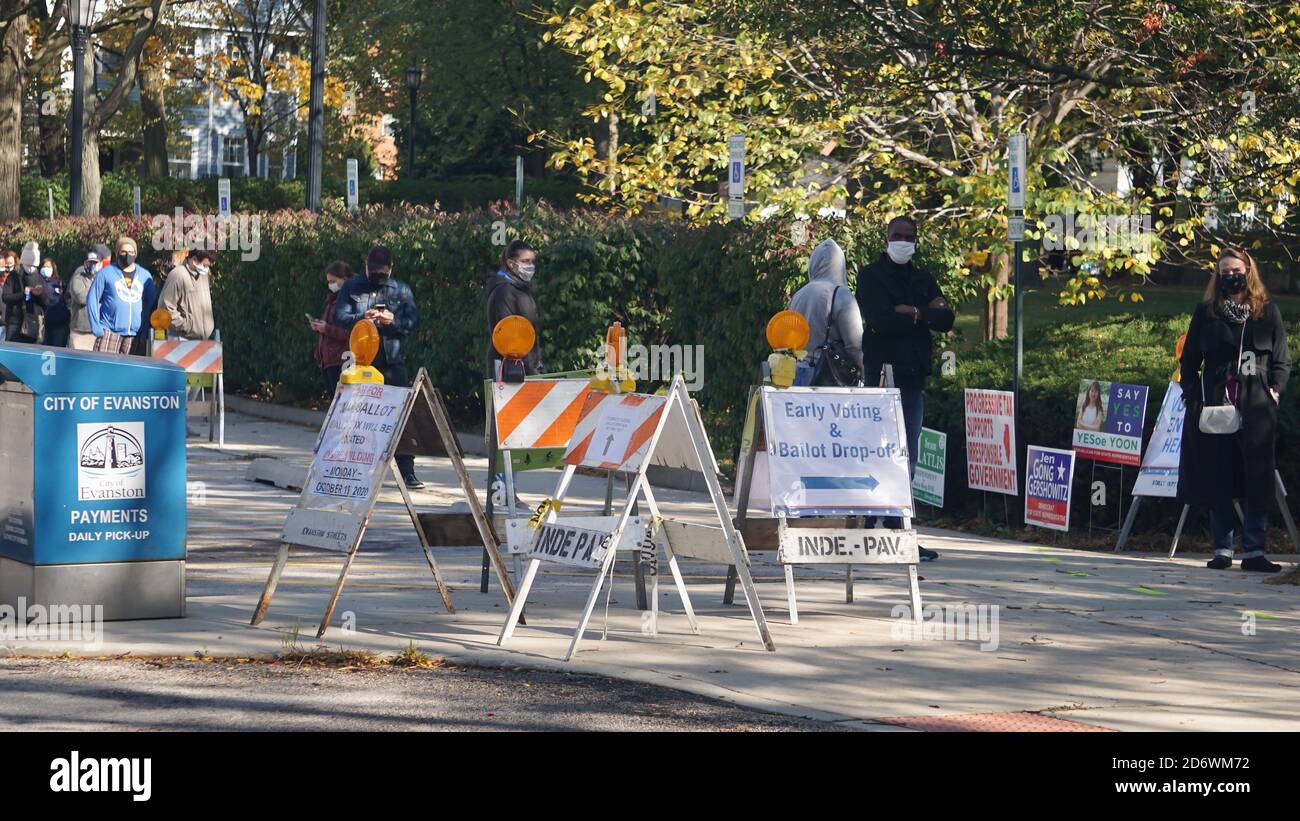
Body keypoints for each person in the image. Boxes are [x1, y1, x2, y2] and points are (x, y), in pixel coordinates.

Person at [1178, 246, 1291, 573]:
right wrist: (1192, 394)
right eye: (1224, 271)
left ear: (1248, 272)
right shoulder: (1206, 312)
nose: (1230, 277)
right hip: (1215, 403)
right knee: (1220, 476)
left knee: (1257, 477)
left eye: (1236, 271)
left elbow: (1282, 360)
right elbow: (1189, 362)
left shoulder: (1267, 312)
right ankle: (1222, 549)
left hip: (1256, 406)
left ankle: (1254, 551)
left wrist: (1275, 392)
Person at [856, 215, 955, 561]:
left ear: (916, 240)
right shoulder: (870, 276)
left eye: (909, 236)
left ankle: (900, 524)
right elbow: (880, 321)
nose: (903, 241)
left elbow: (946, 319)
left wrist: (911, 311)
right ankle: (869, 522)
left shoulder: (923, 278)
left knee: (907, 455)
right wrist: (924, 313)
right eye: (897, 235)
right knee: (877, 451)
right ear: (886, 238)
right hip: (881, 375)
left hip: (913, 378)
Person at [334, 245, 422, 489]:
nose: (378, 277)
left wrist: (392, 320)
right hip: (361, 362)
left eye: (383, 273)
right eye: (374, 273)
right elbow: (339, 316)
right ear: (365, 266)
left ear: (391, 269)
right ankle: (354, 468)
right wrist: (362, 319)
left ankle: (407, 471)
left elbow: (413, 322)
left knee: (402, 417)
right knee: (356, 417)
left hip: (392, 361)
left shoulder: (401, 290)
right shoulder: (352, 287)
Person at [789, 238, 864, 384]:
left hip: (798, 372)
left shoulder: (799, 294)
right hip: (829, 376)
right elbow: (855, 345)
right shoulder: (840, 294)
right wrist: (866, 373)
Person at [87, 237, 156, 355]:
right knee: (104, 369)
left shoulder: (145, 275)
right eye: (123, 252)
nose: (127, 255)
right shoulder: (105, 273)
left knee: (128, 372)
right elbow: (92, 299)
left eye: (131, 252)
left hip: (134, 336)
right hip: (109, 332)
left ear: (136, 254)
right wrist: (97, 328)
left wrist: (145, 328)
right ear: (117, 252)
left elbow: (151, 303)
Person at [486, 239, 542, 378]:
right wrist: (530, 368)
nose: (530, 265)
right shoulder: (504, 292)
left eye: (532, 261)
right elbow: (509, 337)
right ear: (511, 264)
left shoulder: (521, 289)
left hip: (523, 366)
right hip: (510, 370)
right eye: (525, 261)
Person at [311, 260, 353, 397]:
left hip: (340, 359)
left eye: (333, 281)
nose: (331, 285)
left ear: (344, 279)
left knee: (340, 403)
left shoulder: (349, 300)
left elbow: (349, 332)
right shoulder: (332, 299)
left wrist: (326, 328)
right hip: (328, 359)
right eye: (328, 282)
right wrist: (320, 326)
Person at [159, 249, 215, 341]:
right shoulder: (177, 275)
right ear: (194, 260)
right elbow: (165, 308)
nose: (206, 269)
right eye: (205, 265)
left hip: (202, 340)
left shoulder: (203, 276)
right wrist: (186, 326)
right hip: (181, 339)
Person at [2, 242, 47, 343]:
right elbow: (6, 297)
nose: (30, 268)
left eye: (33, 266)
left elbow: (46, 302)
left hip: (33, 322)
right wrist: (23, 294)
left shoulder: (39, 278)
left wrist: (39, 294)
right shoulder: (14, 276)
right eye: (28, 265)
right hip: (15, 322)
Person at [69, 244, 111, 351]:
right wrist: (99, 295)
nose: (92, 265)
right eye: (90, 262)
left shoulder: (104, 278)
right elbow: (81, 297)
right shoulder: (78, 277)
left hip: (98, 330)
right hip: (80, 330)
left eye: (95, 263)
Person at [39, 258, 70, 347]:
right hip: (44, 324)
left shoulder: (60, 283)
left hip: (60, 324)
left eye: (48, 267)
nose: (46, 269)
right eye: (44, 266)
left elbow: (67, 299)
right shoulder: (37, 282)